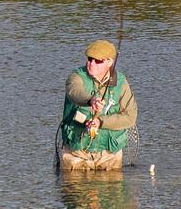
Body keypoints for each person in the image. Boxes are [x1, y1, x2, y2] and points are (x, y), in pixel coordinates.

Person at [58, 40, 137, 171]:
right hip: (76, 153)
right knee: (73, 191)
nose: (91, 64)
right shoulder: (76, 77)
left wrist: (100, 122)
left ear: (109, 62)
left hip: (110, 155)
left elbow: (130, 117)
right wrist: (91, 100)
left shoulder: (121, 83)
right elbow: (74, 92)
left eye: (98, 61)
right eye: (90, 59)